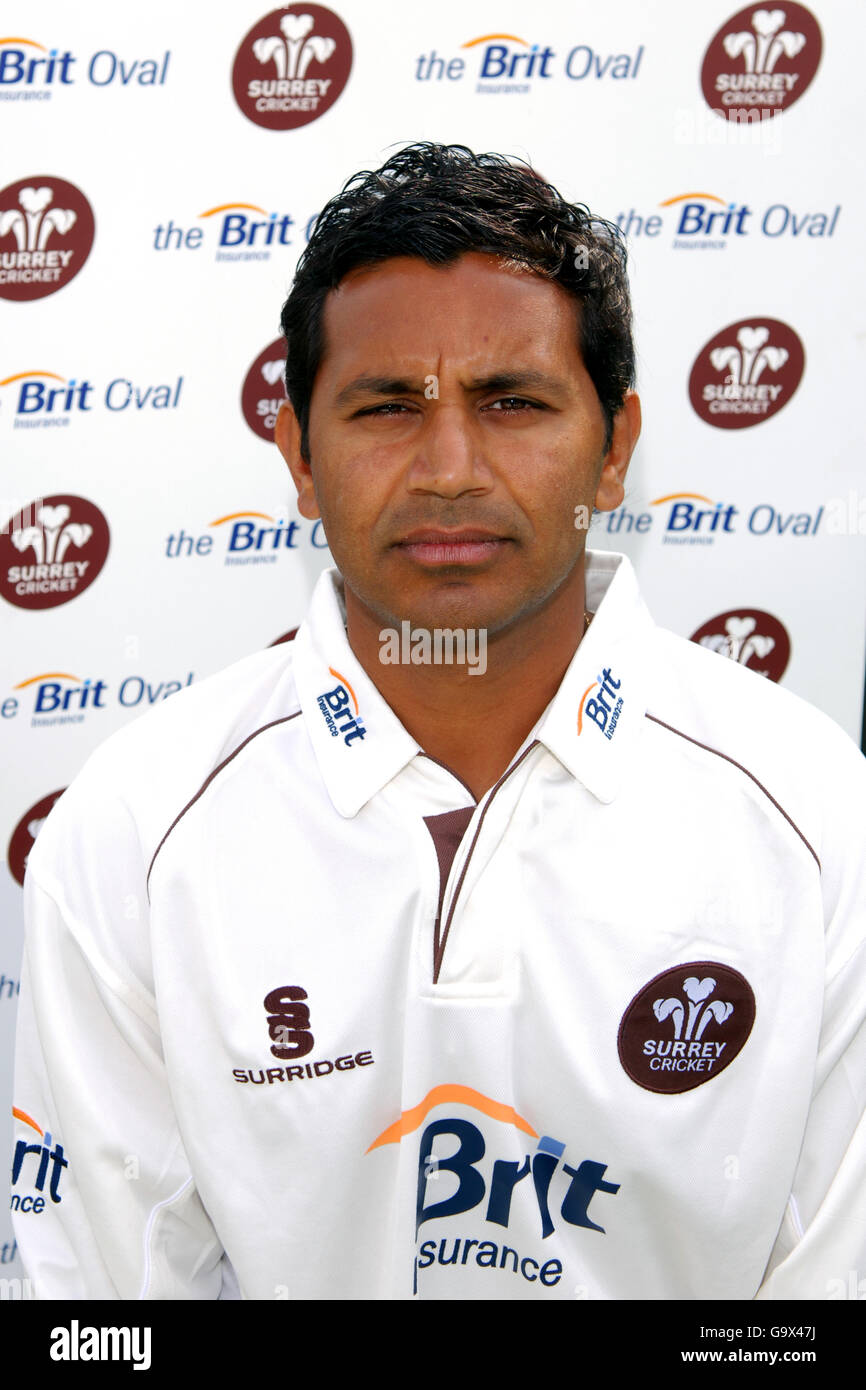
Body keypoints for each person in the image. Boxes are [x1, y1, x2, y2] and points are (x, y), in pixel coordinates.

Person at [12, 143, 866, 1301]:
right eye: (384, 406)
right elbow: (100, 1316)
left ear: (613, 448)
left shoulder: (817, 817)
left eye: (511, 402)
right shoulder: (134, 829)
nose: (450, 468)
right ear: (299, 458)